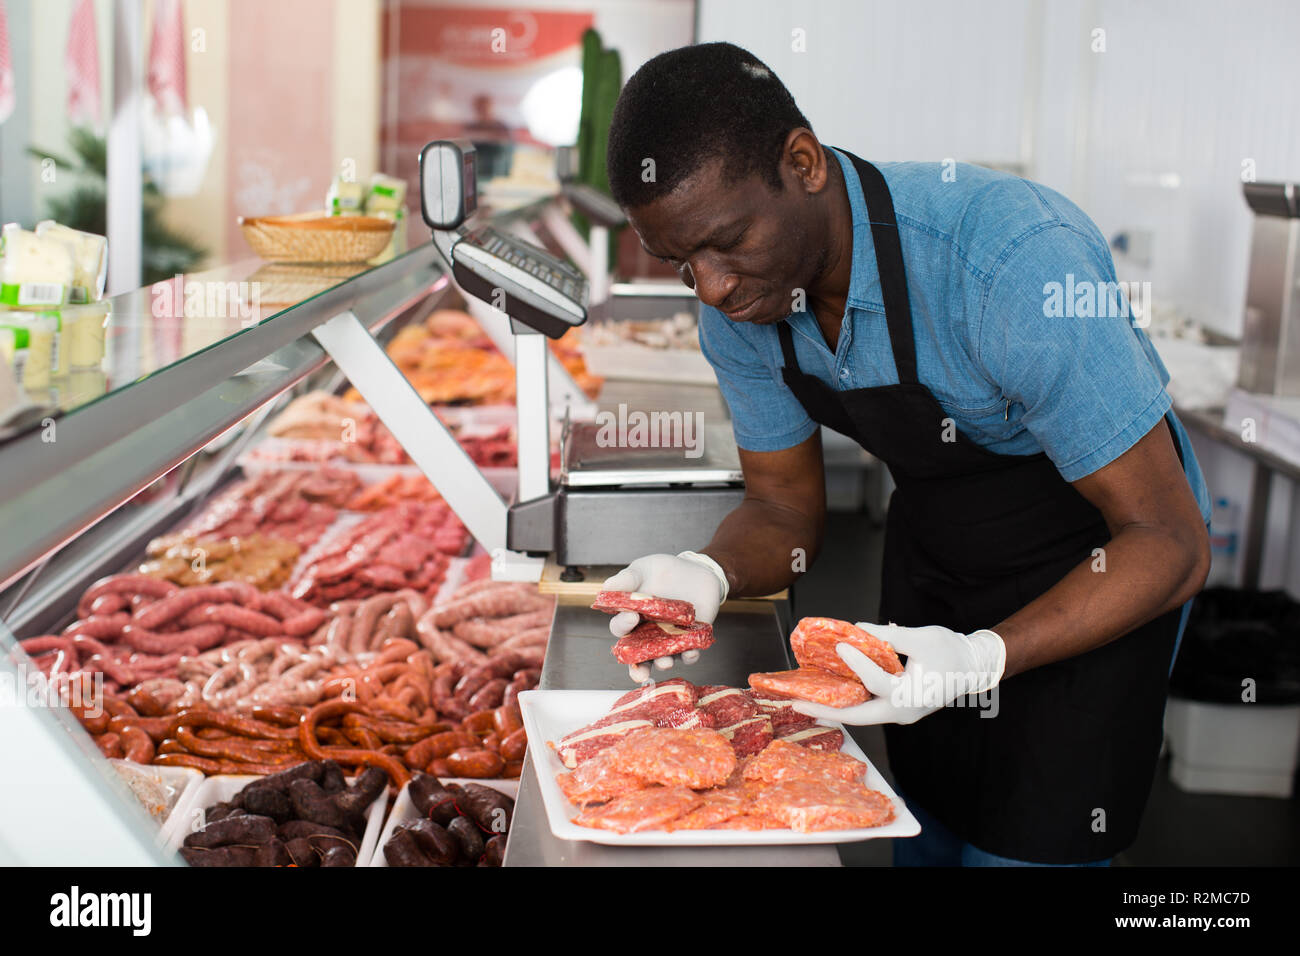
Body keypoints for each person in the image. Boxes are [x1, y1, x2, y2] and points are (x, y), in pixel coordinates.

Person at [598, 42, 1211, 867]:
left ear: (804, 163)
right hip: (945, 550)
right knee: (923, 823)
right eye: (680, 265)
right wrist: (707, 573)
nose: (710, 289)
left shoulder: (1010, 260)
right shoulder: (739, 301)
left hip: (1099, 554)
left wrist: (985, 656)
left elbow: (1169, 541)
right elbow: (782, 507)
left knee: (1033, 841)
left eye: (727, 241)